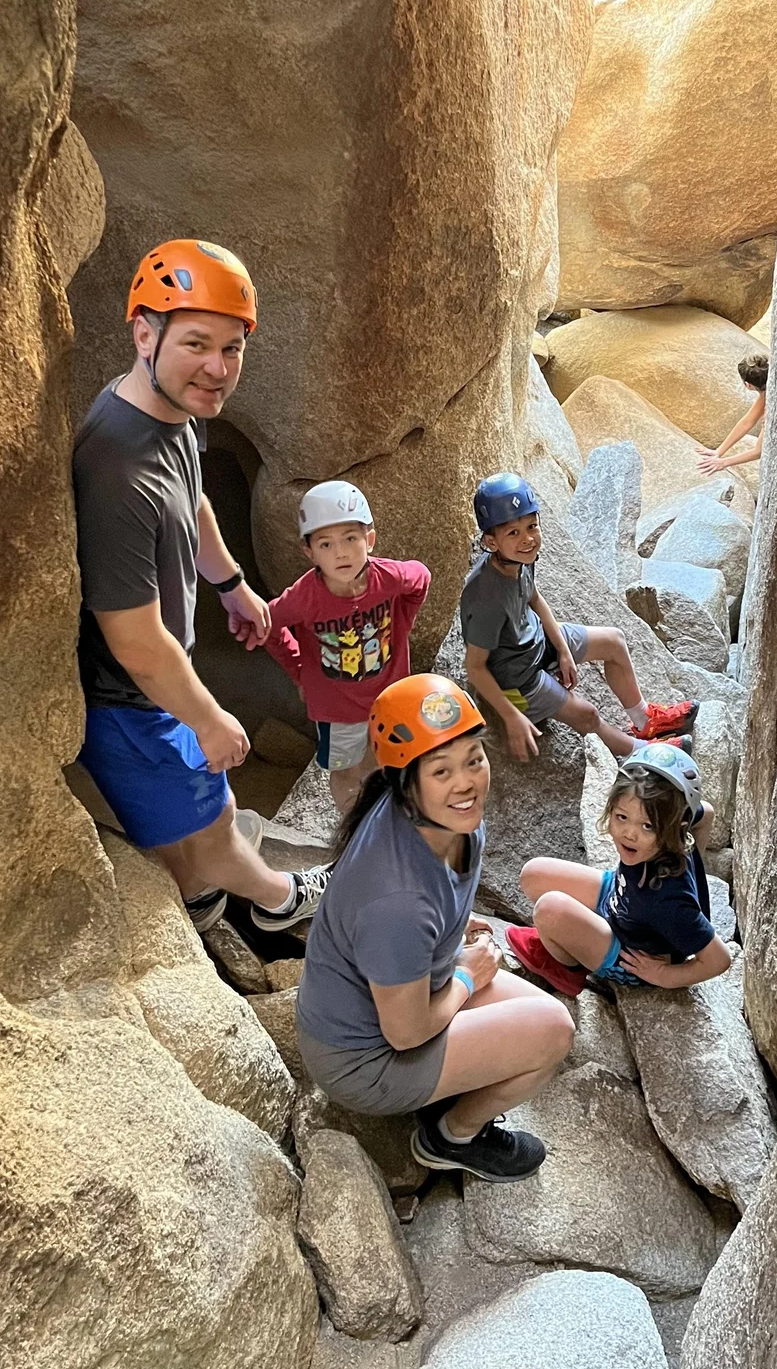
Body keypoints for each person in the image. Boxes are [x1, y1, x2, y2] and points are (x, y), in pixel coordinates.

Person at [73, 238, 328, 934]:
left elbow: (192, 502)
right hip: (131, 703)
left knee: (192, 815)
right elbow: (136, 642)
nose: (218, 370)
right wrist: (208, 718)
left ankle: (196, 898)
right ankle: (280, 901)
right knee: (213, 820)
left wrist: (231, 584)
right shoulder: (118, 473)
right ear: (144, 334)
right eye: (196, 344)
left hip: (152, 687)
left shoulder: (169, 411)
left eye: (232, 348)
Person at [295, 673, 574, 1183]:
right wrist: (467, 975)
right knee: (553, 1031)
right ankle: (451, 1137)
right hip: (364, 1061)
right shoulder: (395, 901)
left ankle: (447, 1086)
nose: (466, 783)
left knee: (542, 1017)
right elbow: (405, 1034)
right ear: (406, 782)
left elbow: (434, 902)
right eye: (441, 770)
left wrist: (455, 931)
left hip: (413, 992)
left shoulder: (446, 820)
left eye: (474, 759)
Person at [460, 472, 693, 763]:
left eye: (532, 526)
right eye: (513, 533)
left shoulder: (518, 559)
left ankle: (644, 720)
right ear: (491, 542)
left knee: (614, 641)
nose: (528, 539)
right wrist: (510, 716)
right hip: (516, 679)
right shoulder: (486, 597)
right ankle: (643, 753)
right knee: (587, 715)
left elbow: (534, 598)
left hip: (534, 642)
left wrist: (562, 649)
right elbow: (475, 668)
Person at [504, 740, 733, 997]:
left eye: (647, 826)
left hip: (626, 953)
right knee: (533, 873)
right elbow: (706, 813)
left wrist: (664, 975)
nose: (629, 834)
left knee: (549, 909)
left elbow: (719, 960)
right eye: (621, 817)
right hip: (620, 895)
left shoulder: (669, 903)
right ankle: (575, 935)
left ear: (675, 826)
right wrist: (691, 867)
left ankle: (567, 968)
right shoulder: (675, 824)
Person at [264, 481, 431, 817]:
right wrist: (299, 671)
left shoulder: (389, 577)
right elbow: (268, 624)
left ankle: (388, 812)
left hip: (390, 697)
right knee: (345, 769)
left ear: (370, 539)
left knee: (388, 756)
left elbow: (421, 578)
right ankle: (353, 823)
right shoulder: (305, 597)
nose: (340, 552)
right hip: (336, 710)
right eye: (326, 543)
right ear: (309, 552)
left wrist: (402, 625)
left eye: (351, 538)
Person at [698, 353, 767, 475]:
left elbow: (759, 451)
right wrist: (719, 451)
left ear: (747, 385)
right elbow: (747, 422)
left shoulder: (770, 411)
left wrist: (723, 462)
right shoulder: (767, 393)